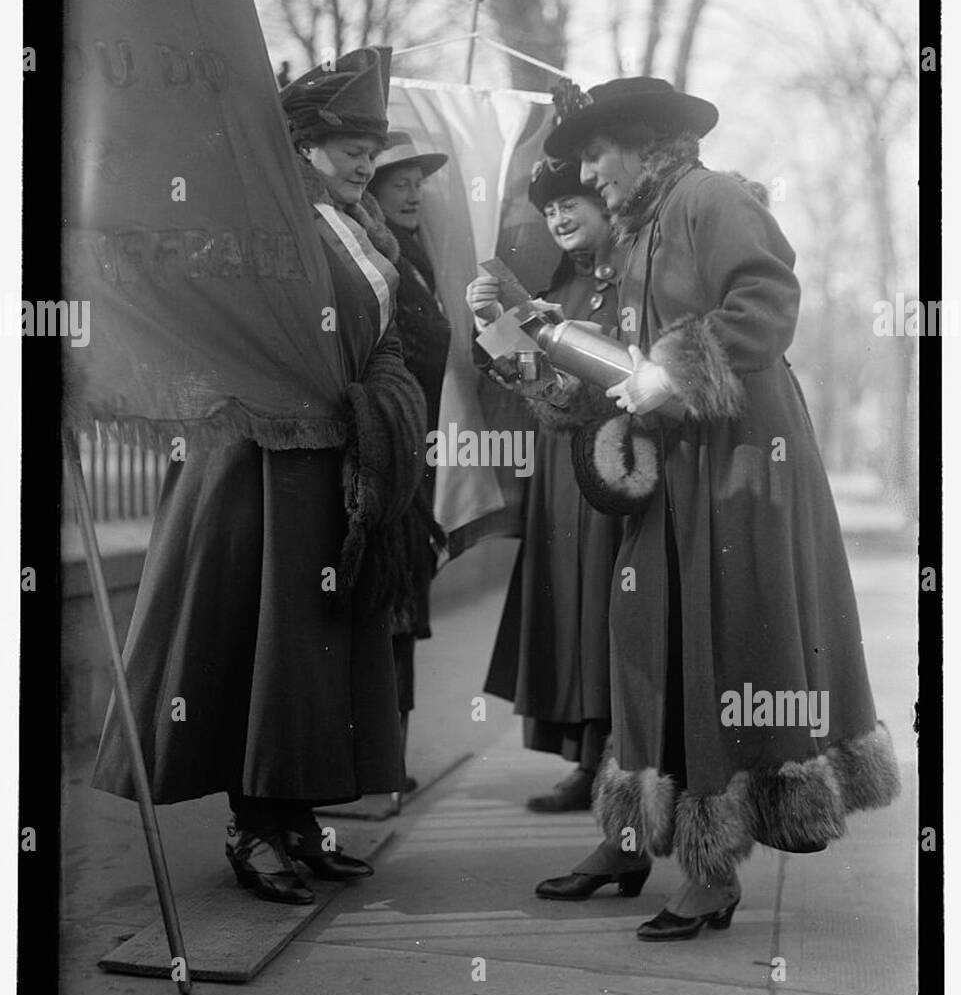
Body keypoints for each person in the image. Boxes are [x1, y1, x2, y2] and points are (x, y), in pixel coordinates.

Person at [530, 74, 901, 940]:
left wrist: (673, 369)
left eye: (596, 153)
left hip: (740, 457)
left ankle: (710, 869)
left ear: (641, 142)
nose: (590, 172)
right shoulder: (640, 227)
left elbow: (766, 304)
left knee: (720, 648)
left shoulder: (713, 197)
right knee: (646, 641)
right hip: (676, 460)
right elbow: (629, 352)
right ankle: (627, 836)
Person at [92, 47, 428, 904]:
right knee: (262, 646)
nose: (365, 160)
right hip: (255, 472)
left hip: (333, 469)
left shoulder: (363, 234)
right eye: (349, 144)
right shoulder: (265, 224)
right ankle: (252, 829)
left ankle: (295, 819)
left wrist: (382, 400)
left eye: (372, 144)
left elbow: (381, 341)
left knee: (310, 653)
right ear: (304, 145)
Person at [466, 158, 651, 899]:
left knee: (614, 624)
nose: (561, 218)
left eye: (572, 201)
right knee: (571, 617)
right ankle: (587, 761)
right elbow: (535, 378)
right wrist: (495, 326)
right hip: (561, 474)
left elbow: (612, 379)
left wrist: (527, 318)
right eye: (550, 210)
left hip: (615, 473)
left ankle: (613, 763)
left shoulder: (630, 276)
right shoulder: (555, 280)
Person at [369, 132, 452, 795]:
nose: (411, 192)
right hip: (382, 455)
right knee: (386, 606)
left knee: (406, 607)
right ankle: (374, 765)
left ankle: (388, 761)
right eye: (398, 181)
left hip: (415, 452)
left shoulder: (413, 259)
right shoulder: (369, 257)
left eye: (416, 182)